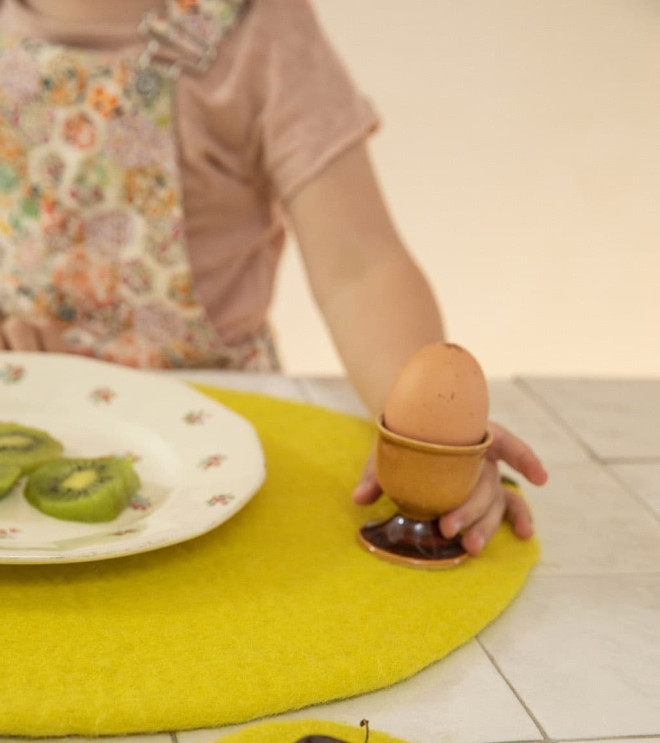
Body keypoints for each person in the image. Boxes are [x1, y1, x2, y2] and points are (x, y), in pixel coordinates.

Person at [0, 0, 547, 556]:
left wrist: (427, 439)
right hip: (29, 407)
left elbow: (360, 269)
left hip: (215, 425)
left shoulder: (259, 30)